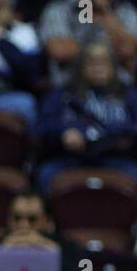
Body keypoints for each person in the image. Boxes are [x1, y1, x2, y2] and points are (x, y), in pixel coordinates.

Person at [35, 38, 137, 190]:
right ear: (80, 66)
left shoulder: (129, 95)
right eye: (92, 62)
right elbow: (41, 127)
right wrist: (63, 133)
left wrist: (116, 134)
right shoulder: (62, 95)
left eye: (103, 61)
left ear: (113, 67)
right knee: (46, 174)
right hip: (70, 159)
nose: (98, 67)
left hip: (115, 157)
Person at [39, 0, 137, 85]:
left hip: (118, 95)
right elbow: (59, 50)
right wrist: (108, 51)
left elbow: (128, 49)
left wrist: (104, 10)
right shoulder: (59, 9)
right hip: (69, 92)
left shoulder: (126, 12)